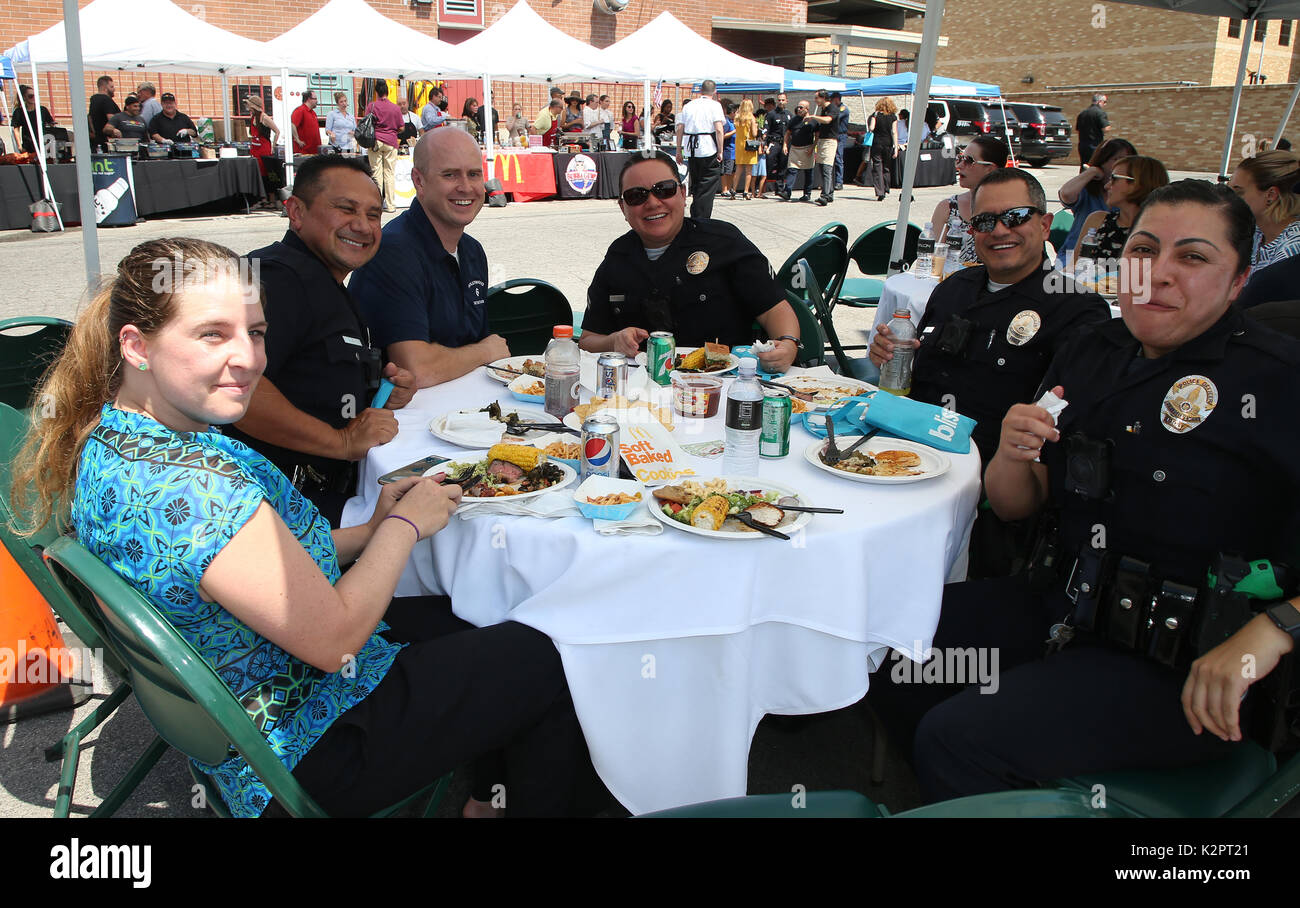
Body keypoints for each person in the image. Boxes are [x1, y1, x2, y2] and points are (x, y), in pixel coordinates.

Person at [11, 236, 590, 818]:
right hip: (303, 743)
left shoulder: (113, 441)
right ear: (136, 346)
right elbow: (335, 640)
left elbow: (248, 567)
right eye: (213, 334)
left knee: (478, 610)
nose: (249, 358)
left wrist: (368, 532)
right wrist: (403, 529)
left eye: (256, 332)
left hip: (257, 691)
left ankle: (486, 800)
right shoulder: (196, 490)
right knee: (556, 654)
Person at [867, 180, 1300, 803]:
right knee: (888, 646)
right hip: (1058, 607)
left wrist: (1272, 631)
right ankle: (976, 807)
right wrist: (1014, 455)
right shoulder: (1094, 349)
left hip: (1188, 667)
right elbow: (1019, 504)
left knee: (959, 738)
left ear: (1240, 280)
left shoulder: (1277, 379)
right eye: (1145, 250)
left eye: (1194, 257)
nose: (1160, 274)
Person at [872, 168, 1110, 467]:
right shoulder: (953, 287)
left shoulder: (1077, 310)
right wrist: (889, 356)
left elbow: (1060, 434)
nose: (999, 230)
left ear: (1046, 225)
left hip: (988, 473)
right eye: (985, 221)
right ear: (973, 231)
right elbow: (913, 378)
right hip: (903, 451)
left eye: (1017, 216)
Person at [225, 155, 415, 526]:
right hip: (279, 507)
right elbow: (238, 389)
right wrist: (341, 443)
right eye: (345, 209)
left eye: (374, 215)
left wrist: (375, 391)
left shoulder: (321, 279)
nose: (362, 226)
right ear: (296, 212)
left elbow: (307, 378)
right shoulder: (279, 281)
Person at [578, 150, 800, 374]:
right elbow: (587, 340)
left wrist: (788, 344)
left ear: (683, 194)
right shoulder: (618, 257)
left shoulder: (724, 242)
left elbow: (774, 309)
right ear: (623, 208)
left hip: (723, 387)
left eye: (664, 190)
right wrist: (614, 341)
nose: (653, 202)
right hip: (641, 392)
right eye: (637, 196)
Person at [351, 129, 509, 388]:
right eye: (450, 175)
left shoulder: (472, 251)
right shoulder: (393, 251)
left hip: (462, 411)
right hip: (406, 420)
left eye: (474, 174)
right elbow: (417, 369)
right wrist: (486, 351)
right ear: (419, 181)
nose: (466, 187)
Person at [1069, 155, 1169, 267]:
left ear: (1137, 184)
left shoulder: (1163, 232)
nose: (1107, 186)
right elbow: (1073, 267)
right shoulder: (1098, 221)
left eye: (1114, 178)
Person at [1055, 138, 1138, 269]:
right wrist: (1092, 171)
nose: (1123, 166)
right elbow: (1066, 194)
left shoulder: (1132, 198)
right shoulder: (1087, 191)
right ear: (1102, 162)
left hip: (1112, 263)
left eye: (1128, 160)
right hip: (1073, 259)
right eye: (1116, 159)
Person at [927, 135, 1009, 267]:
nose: (959, 166)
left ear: (990, 169)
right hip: (954, 283)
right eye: (960, 158)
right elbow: (932, 260)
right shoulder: (948, 208)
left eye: (969, 161)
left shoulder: (1013, 211)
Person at [1228, 150, 1300, 270]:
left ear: (1271, 195)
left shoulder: (1291, 249)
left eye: (1238, 192)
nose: (1229, 199)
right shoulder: (1257, 233)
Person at [676, 80, 725, 219]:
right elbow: (719, 129)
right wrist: (720, 151)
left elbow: (680, 129)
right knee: (707, 187)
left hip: (692, 149)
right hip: (708, 148)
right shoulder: (715, 105)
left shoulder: (689, 105)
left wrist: (679, 150)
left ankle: (696, 216)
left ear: (700, 91)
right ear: (714, 92)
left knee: (697, 185)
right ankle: (701, 219)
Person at [365, 82, 403, 213]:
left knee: (376, 173)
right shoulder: (395, 108)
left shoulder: (372, 106)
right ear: (387, 91)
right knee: (389, 174)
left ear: (376, 92)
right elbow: (401, 127)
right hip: (391, 142)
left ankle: (377, 204)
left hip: (375, 141)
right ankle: (391, 205)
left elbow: (366, 123)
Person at [244, 94, 283, 212]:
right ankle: (263, 198)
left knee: (266, 173)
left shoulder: (264, 117)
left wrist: (274, 145)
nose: (248, 108)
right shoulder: (253, 117)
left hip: (264, 149)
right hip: (255, 149)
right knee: (259, 174)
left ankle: (270, 199)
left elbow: (277, 131)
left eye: (249, 105)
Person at [802, 90, 837, 207]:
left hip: (830, 141)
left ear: (823, 98)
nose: (815, 100)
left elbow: (828, 120)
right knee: (822, 167)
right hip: (823, 140)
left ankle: (825, 196)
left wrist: (813, 117)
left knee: (827, 168)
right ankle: (830, 193)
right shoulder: (823, 109)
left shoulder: (832, 108)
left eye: (816, 98)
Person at [779, 99, 816, 202]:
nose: (798, 109)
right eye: (798, 107)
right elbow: (787, 133)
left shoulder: (813, 121)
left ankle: (807, 194)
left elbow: (817, 135)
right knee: (792, 170)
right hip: (795, 148)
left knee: (808, 171)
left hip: (807, 149)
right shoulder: (794, 120)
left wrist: (813, 147)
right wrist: (785, 145)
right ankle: (787, 192)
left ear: (807, 109)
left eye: (801, 107)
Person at [865, 96, 899, 202]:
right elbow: (894, 132)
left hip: (877, 143)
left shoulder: (876, 115)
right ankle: (886, 187)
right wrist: (896, 147)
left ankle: (880, 191)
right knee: (886, 167)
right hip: (888, 143)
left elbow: (871, 128)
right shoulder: (893, 117)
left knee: (877, 166)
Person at [10, 84, 57, 156]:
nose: (34, 98)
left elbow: (51, 124)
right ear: (24, 97)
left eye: (35, 95)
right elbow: (16, 129)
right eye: (31, 96)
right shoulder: (19, 112)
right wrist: (19, 146)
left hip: (43, 143)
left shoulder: (42, 110)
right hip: (28, 144)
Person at [763, 92, 791, 193]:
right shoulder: (771, 114)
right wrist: (765, 144)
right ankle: (763, 186)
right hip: (773, 143)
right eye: (779, 100)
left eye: (783, 100)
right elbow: (766, 130)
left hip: (785, 144)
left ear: (786, 101)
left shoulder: (789, 115)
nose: (781, 102)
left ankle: (779, 188)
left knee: (783, 166)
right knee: (770, 164)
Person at [1075, 93, 1111, 169]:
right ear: (1100, 101)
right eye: (1105, 102)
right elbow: (1106, 128)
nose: (1105, 104)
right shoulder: (1100, 113)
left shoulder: (1082, 113)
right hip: (1095, 145)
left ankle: (1083, 180)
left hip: (1082, 145)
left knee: (1084, 167)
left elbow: (1077, 130)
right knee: (1095, 167)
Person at [733, 99, 760, 200]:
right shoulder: (751, 118)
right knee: (749, 171)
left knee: (738, 169)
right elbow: (754, 133)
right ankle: (745, 191)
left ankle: (733, 190)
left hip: (739, 145)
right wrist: (756, 127)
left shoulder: (737, 118)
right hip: (749, 145)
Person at [87, 75, 119, 152]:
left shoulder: (94, 100)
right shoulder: (106, 100)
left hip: (97, 141)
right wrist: (115, 131)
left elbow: (90, 118)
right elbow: (112, 119)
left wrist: (95, 133)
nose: (114, 89)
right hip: (108, 141)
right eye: (111, 87)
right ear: (105, 88)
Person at [830, 91, 851, 192]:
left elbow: (835, 118)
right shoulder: (835, 109)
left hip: (840, 135)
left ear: (837, 99)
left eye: (832, 100)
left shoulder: (843, 109)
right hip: (833, 135)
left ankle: (839, 181)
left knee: (838, 158)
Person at [290, 91, 322, 156]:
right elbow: (293, 124)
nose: (317, 101)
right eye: (315, 99)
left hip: (314, 151)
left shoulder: (313, 113)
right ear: (309, 99)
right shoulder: (300, 110)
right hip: (304, 151)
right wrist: (297, 139)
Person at [719, 101, 737, 199]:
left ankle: (730, 188)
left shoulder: (735, 122)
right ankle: (724, 189)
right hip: (728, 150)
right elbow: (723, 135)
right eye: (736, 112)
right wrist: (734, 131)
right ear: (732, 112)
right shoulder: (726, 122)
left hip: (735, 150)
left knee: (733, 171)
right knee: (727, 171)